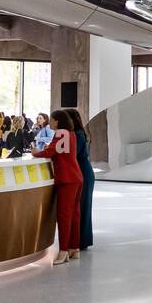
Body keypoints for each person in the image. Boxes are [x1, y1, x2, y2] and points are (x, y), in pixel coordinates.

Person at [32, 110, 82, 265]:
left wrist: (35, 153)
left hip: (66, 179)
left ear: (58, 122)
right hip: (76, 176)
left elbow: (50, 152)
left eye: (52, 120)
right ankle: (74, 248)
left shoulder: (60, 133)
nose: (50, 122)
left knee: (64, 216)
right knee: (74, 215)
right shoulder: (71, 133)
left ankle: (63, 251)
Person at [60, 108, 95, 253]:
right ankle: (79, 241)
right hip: (81, 171)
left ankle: (82, 241)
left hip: (83, 173)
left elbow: (71, 155)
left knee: (83, 207)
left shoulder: (78, 135)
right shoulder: (76, 134)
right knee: (80, 207)